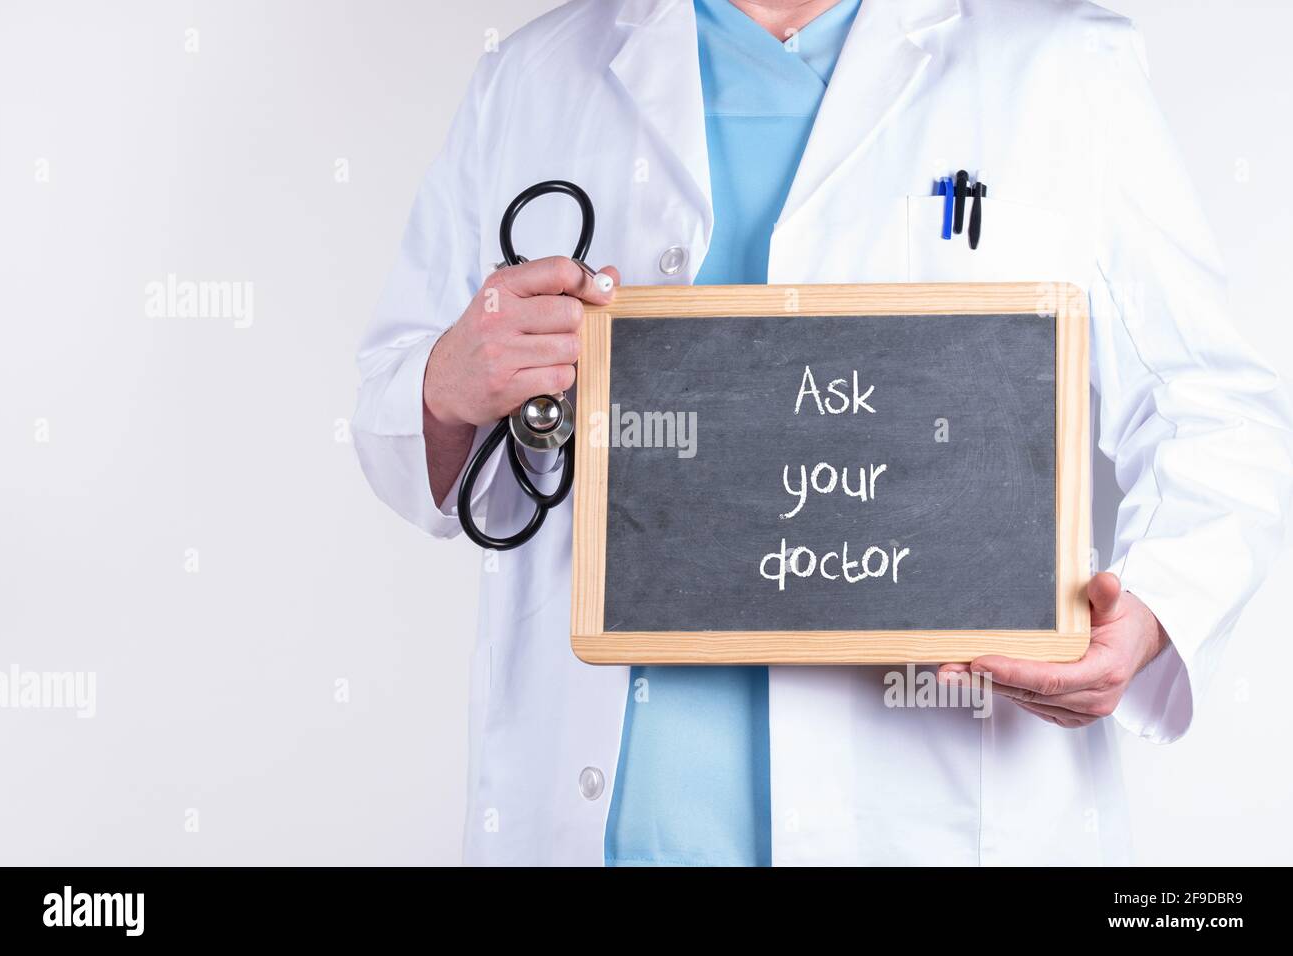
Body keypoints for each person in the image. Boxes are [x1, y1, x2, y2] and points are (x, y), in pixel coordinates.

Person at [353, 0, 1293, 865]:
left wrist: (1154, 612)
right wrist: (449, 380)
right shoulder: (530, 78)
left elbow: (1212, 408)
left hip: (936, 812)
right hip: (603, 824)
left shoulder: (1060, 66)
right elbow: (400, 417)